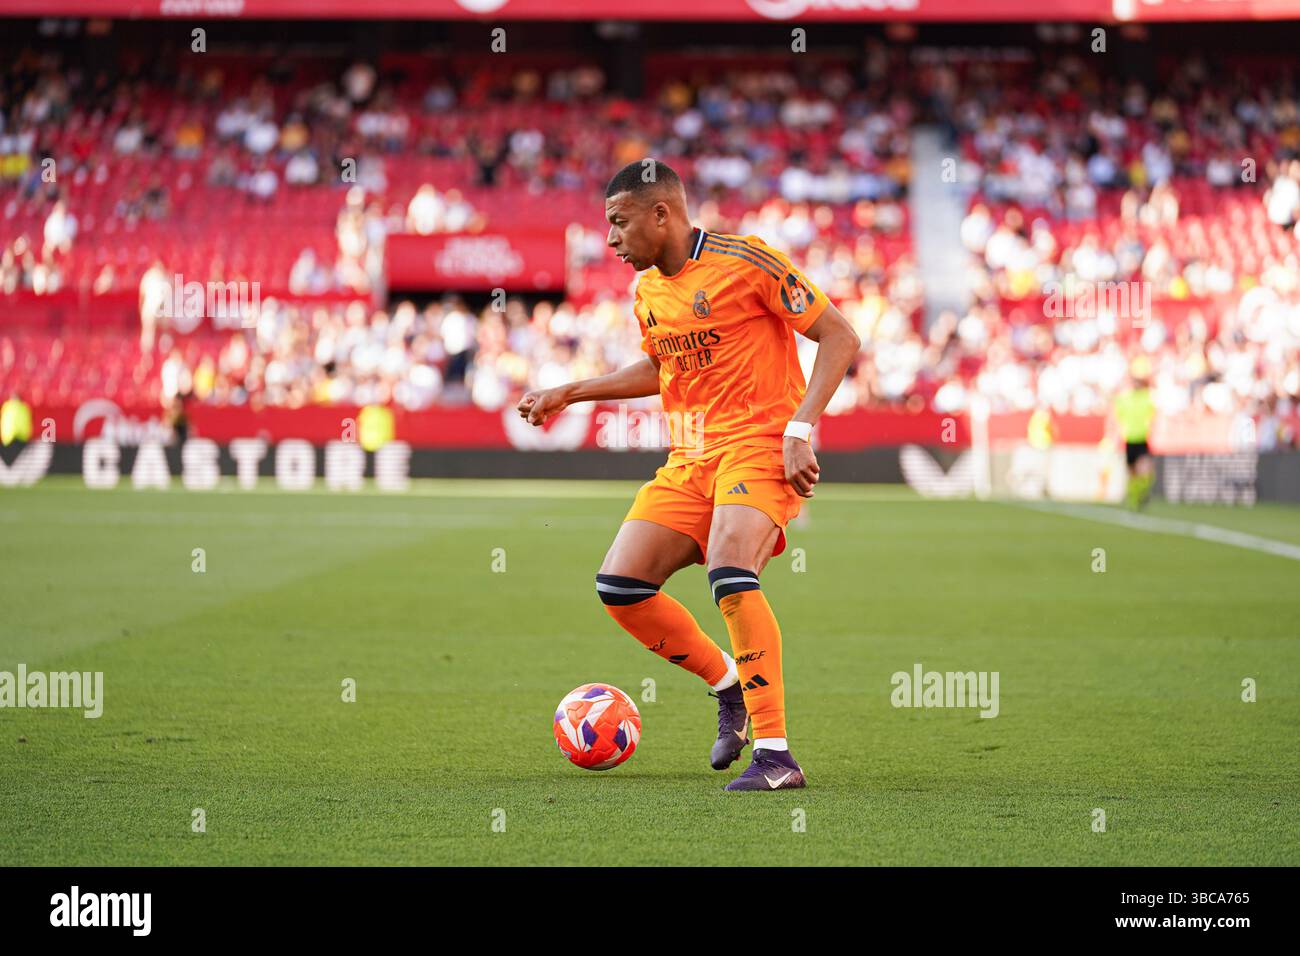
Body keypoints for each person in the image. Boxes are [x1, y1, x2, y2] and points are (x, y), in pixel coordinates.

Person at [517, 160, 860, 790]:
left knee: (729, 570)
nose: (612, 239)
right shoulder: (647, 292)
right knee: (620, 586)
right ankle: (728, 683)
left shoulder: (747, 261)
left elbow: (839, 335)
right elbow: (661, 368)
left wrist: (799, 429)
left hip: (758, 446)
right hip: (689, 458)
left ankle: (778, 757)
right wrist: (571, 390)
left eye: (619, 223)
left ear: (662, 214)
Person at [1112, 356, 1157, 509]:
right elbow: (1118, 418)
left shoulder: (1145, 397)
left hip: (1139, 438)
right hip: (1131, 438)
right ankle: (1135, 497)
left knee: (1142, 471)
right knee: (1134, 473)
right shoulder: (1128, 398)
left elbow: (1153, 417)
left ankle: (1139, 495)